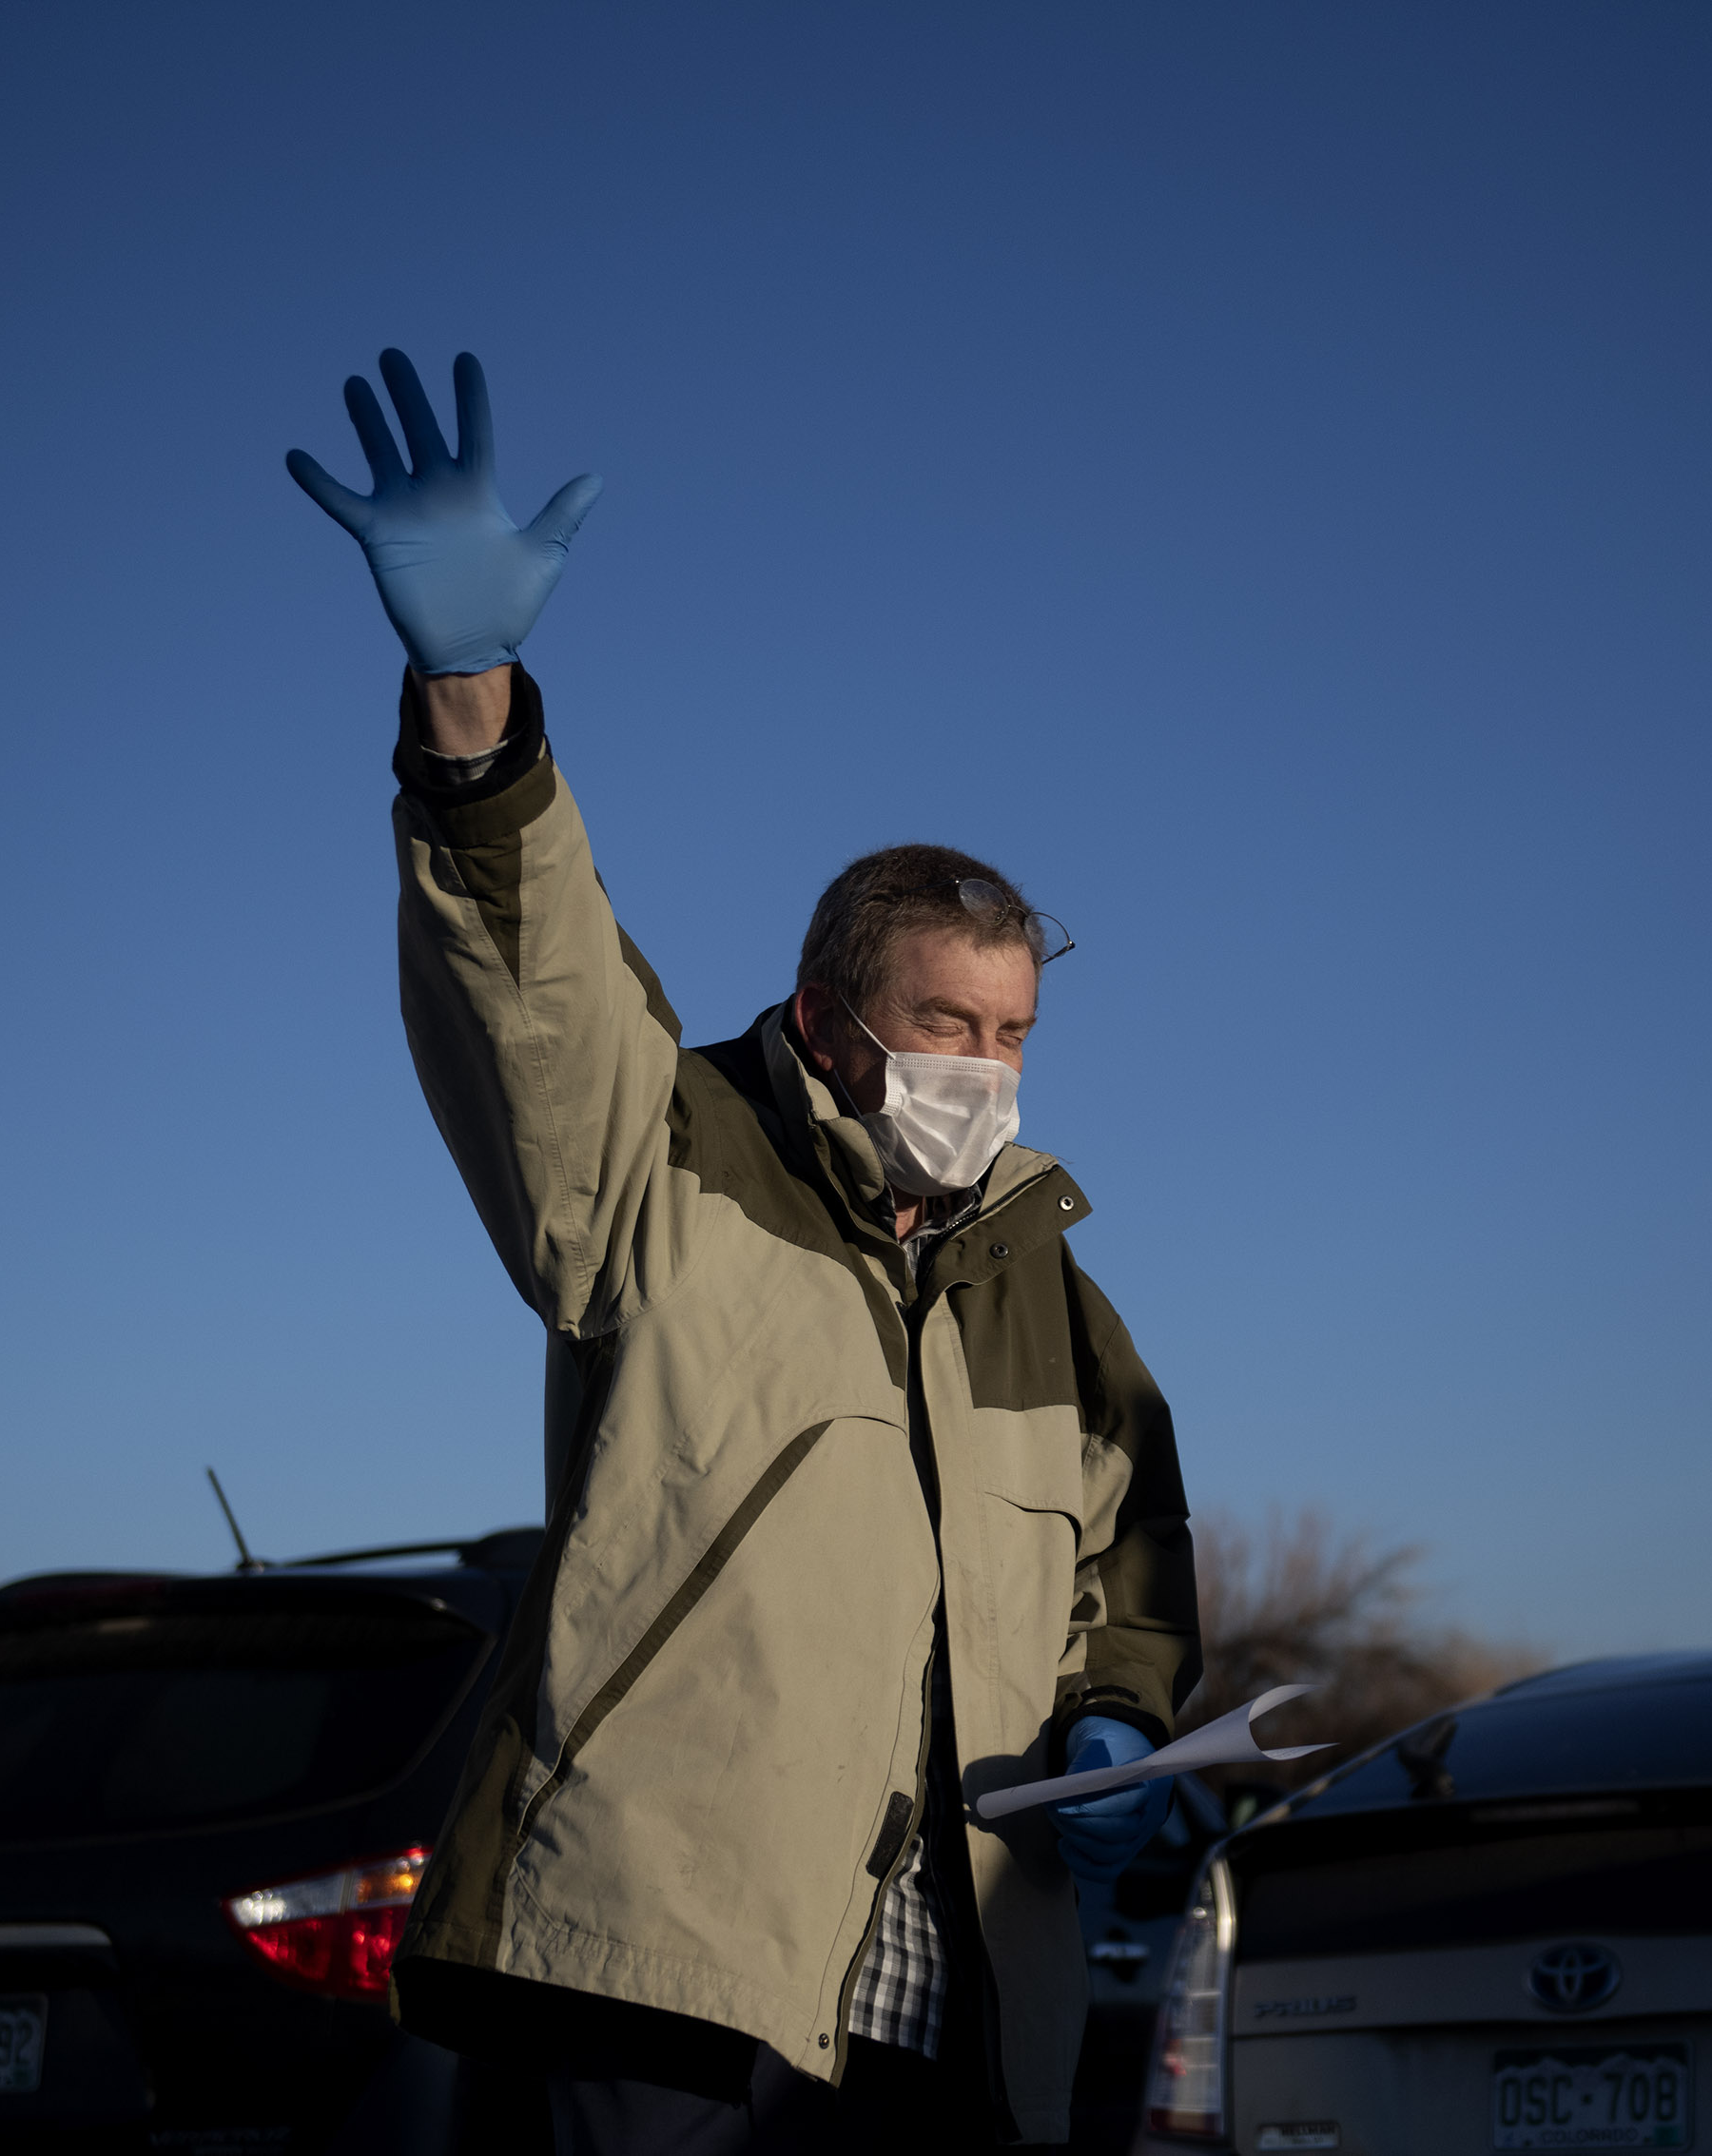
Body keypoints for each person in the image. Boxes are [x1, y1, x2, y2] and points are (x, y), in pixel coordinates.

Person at [287, 349, 1201, 2152]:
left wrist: (1116, 1728)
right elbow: (534, 1003)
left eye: (1014, 1033)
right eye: (949, 1024)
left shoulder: (1054, 1299)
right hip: (675, 1977)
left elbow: (1131, 1571)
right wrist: (474, 710)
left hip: (963, 2002)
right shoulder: (670, 1159)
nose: (987, 1070)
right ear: (829, 1018)